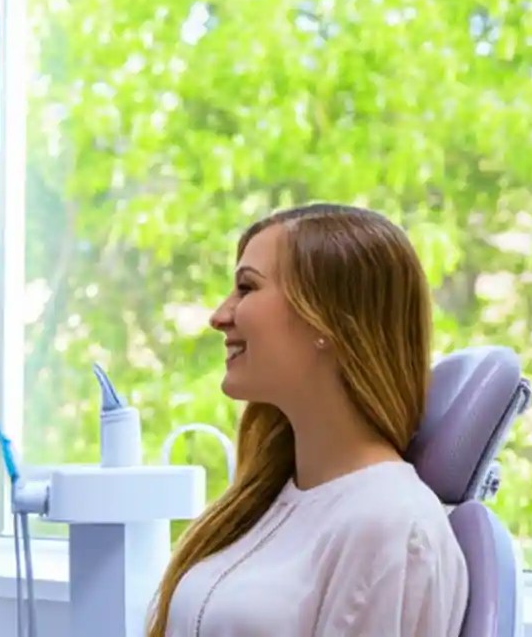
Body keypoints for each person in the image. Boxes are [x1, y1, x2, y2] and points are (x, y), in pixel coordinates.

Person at [149, 204, 469, 636]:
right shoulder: (275, 497)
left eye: (246, 288)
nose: (219, 316)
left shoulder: (392, 526)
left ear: (327, 318)